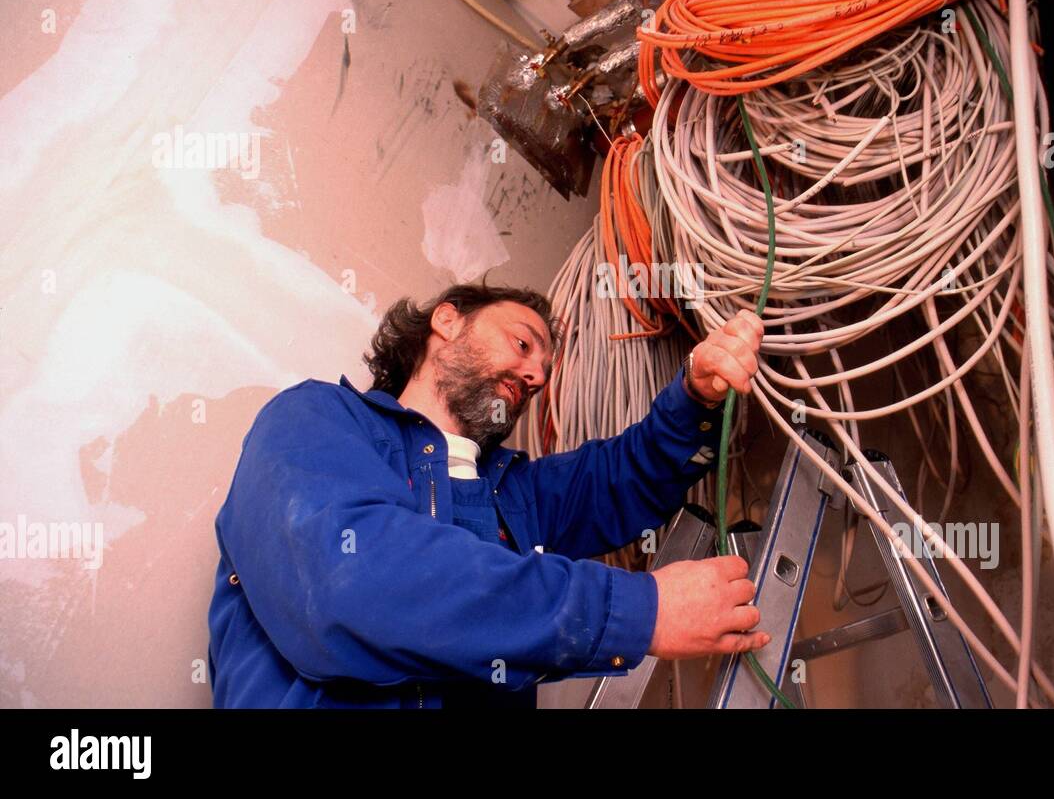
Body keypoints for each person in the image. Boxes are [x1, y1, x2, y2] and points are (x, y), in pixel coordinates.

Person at [207, 282, 770, 707]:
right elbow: (348, 586)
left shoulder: (514, 492)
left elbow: (624, 475)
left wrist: (694, 396)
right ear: (446, 321)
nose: (534, 376)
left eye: (543, 372)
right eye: (523, 344)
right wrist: (639, 611)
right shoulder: (315, 420)